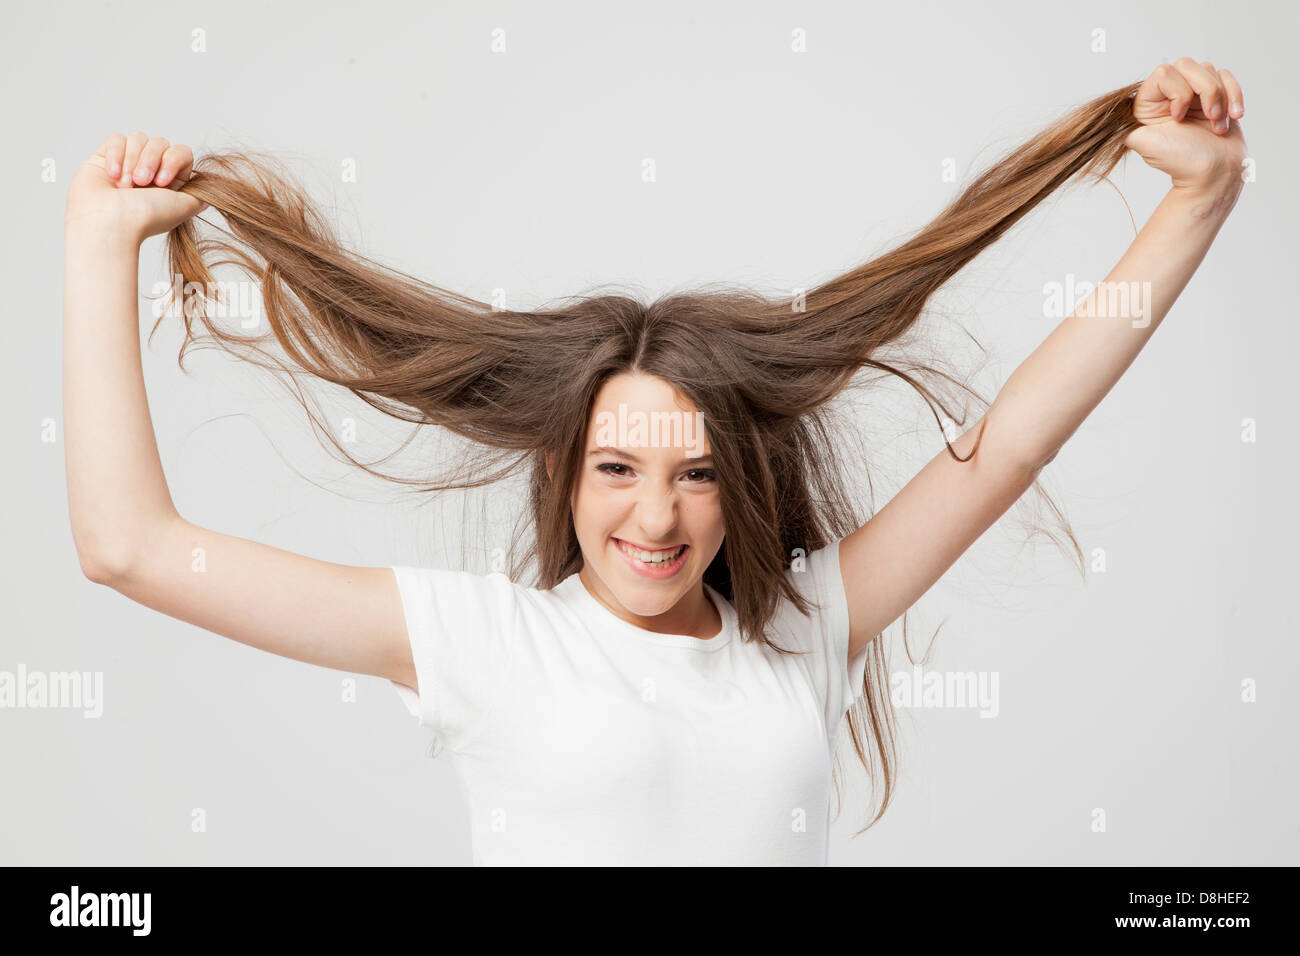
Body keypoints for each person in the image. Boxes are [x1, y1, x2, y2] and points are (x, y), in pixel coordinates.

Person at [62, 57, 1247, 865]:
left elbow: (1016, 439)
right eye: (617, 469)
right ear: (564, 477)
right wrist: (98, 242)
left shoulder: (803, 633)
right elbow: (131, 548)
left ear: (741, 483)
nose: (657, 516)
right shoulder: (484, 641)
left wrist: (1201, 197)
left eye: (696, 471)